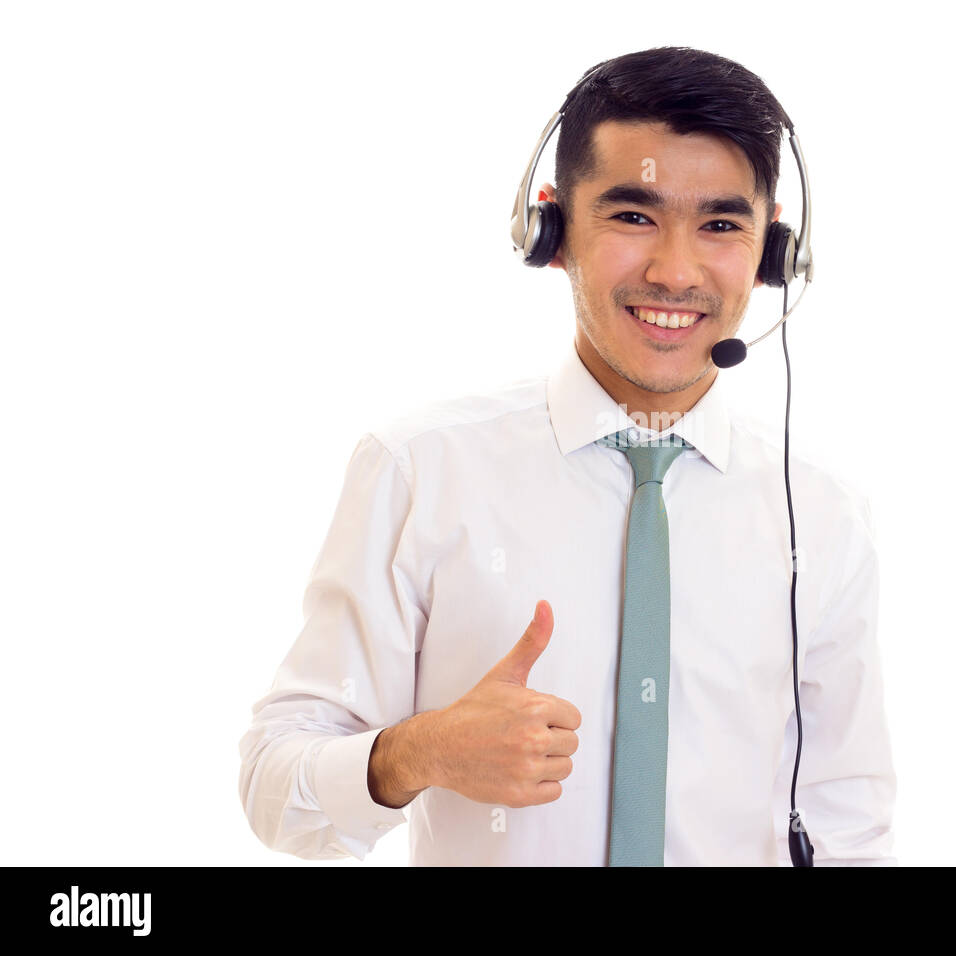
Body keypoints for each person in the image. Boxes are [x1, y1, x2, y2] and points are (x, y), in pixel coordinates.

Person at [238, 45, 896, 866]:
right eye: (633, 217)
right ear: (548, 231)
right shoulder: (418, 469)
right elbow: (273, 787)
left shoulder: (823, 514)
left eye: (721, 225)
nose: (675, 272)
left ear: (774, 254)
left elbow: (850, 826)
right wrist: (419, 751)